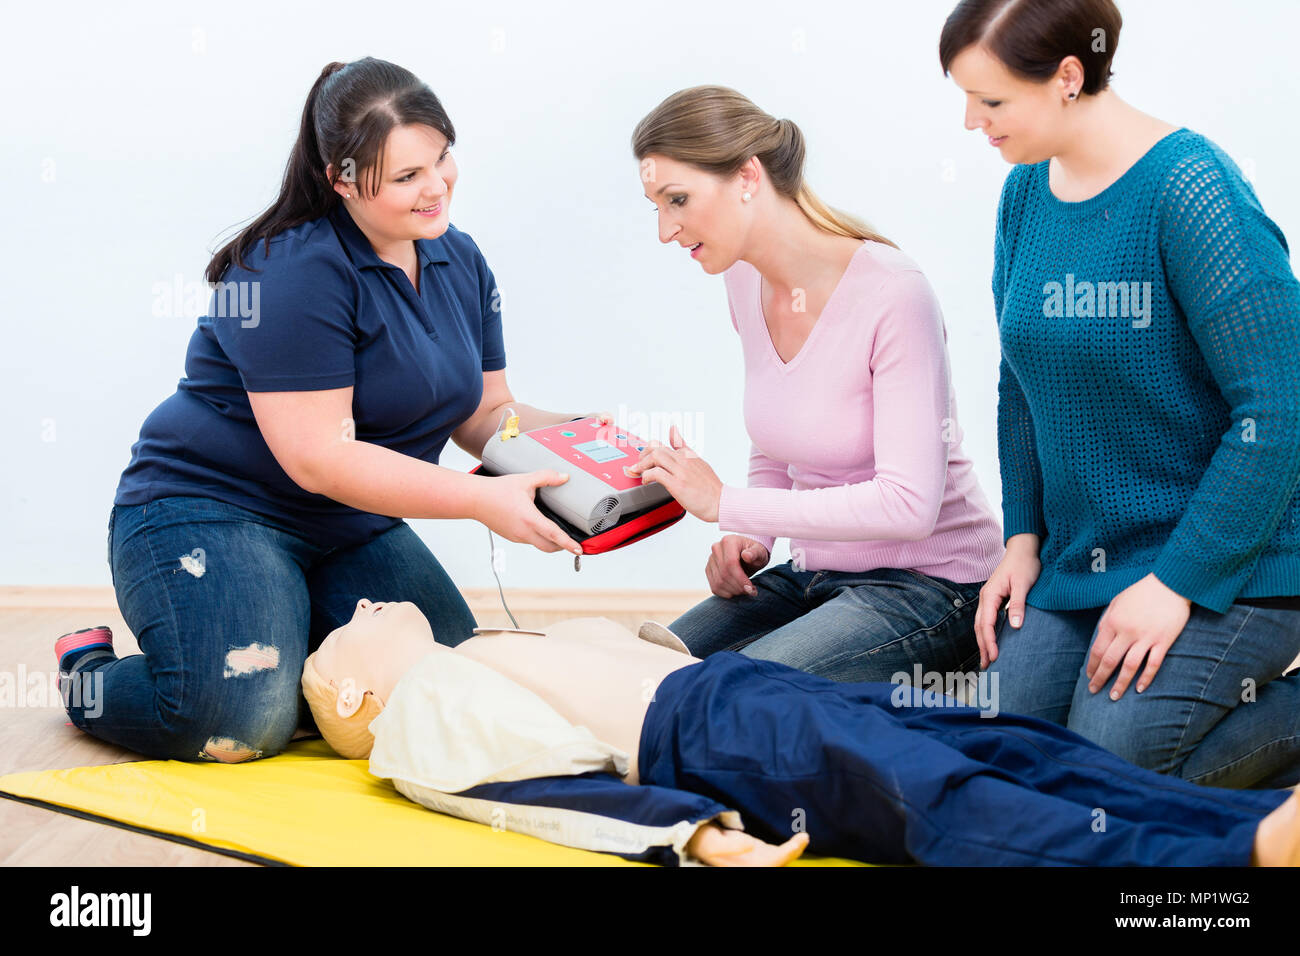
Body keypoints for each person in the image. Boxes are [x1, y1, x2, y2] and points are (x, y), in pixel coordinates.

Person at [57, 57, 606, 763]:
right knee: (236, 723)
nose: (437, 187)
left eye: (442, 159)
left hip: (352, 526)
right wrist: (481, 500)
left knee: (452, 685)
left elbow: (485, 412)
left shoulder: (458, 259)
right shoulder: (287, 271)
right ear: (341, 179)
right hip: (212, 510)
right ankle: (87, 674)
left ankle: (289, 656)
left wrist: (591, 445)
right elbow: (320, 458)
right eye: (407, 177)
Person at [940, 0, 1300, 788]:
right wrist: (1022, 538)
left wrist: (1176, 583)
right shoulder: (1025, 194)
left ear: (1068, 76)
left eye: (991, 101)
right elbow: (1021, 384)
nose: (972, 121)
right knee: (996, 752)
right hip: (1086, 556)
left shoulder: (1193, 192)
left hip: (1235, 558)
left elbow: (1278, 410)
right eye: (966, 98)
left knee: (1107, 768)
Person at [296, 599, 1300, 867]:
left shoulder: (454, 656)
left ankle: (1250, 814)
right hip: (725, 743)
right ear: (351, 697)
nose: (377, 597)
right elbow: (537, 796)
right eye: (356, 622)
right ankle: (1236, 849)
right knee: (948, 804)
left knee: (1011, 742)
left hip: (744, 694)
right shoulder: (422, 713)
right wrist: (683, 830)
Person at [625, 86, 1005, 683]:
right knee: (642, 674)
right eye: (656, 206)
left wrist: (726, 503)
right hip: (816, 575)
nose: (665, 231)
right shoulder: (744, 280)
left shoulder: (892, 292)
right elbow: (781, 438)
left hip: (932, 586)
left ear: (748, 176)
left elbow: (908, 506)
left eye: (678, 200)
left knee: (723, 698)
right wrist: (750, 535)